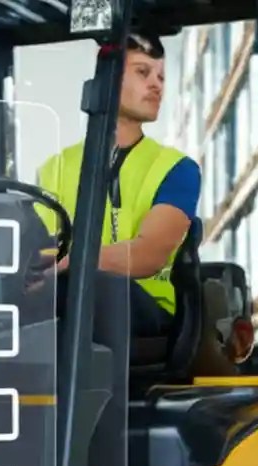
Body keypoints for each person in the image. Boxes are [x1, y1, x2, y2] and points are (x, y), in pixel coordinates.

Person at [32, 31, 202, 344]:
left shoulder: (176, 169)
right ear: (107, 80)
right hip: (72, 295)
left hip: (145, 309)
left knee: (88, 288)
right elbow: (39, 248)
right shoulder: (55, 168)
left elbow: (150, 254)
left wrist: (76, 262)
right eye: (143, 72)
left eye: (161, 77)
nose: (157, 85)